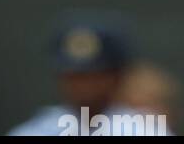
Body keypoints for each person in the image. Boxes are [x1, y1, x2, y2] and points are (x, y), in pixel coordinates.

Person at [9, 14, 169, 136]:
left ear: (117, 77)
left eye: (95, 77)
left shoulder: (144, 131)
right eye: (74, 77)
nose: (84, 87)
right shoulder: (35, 131)